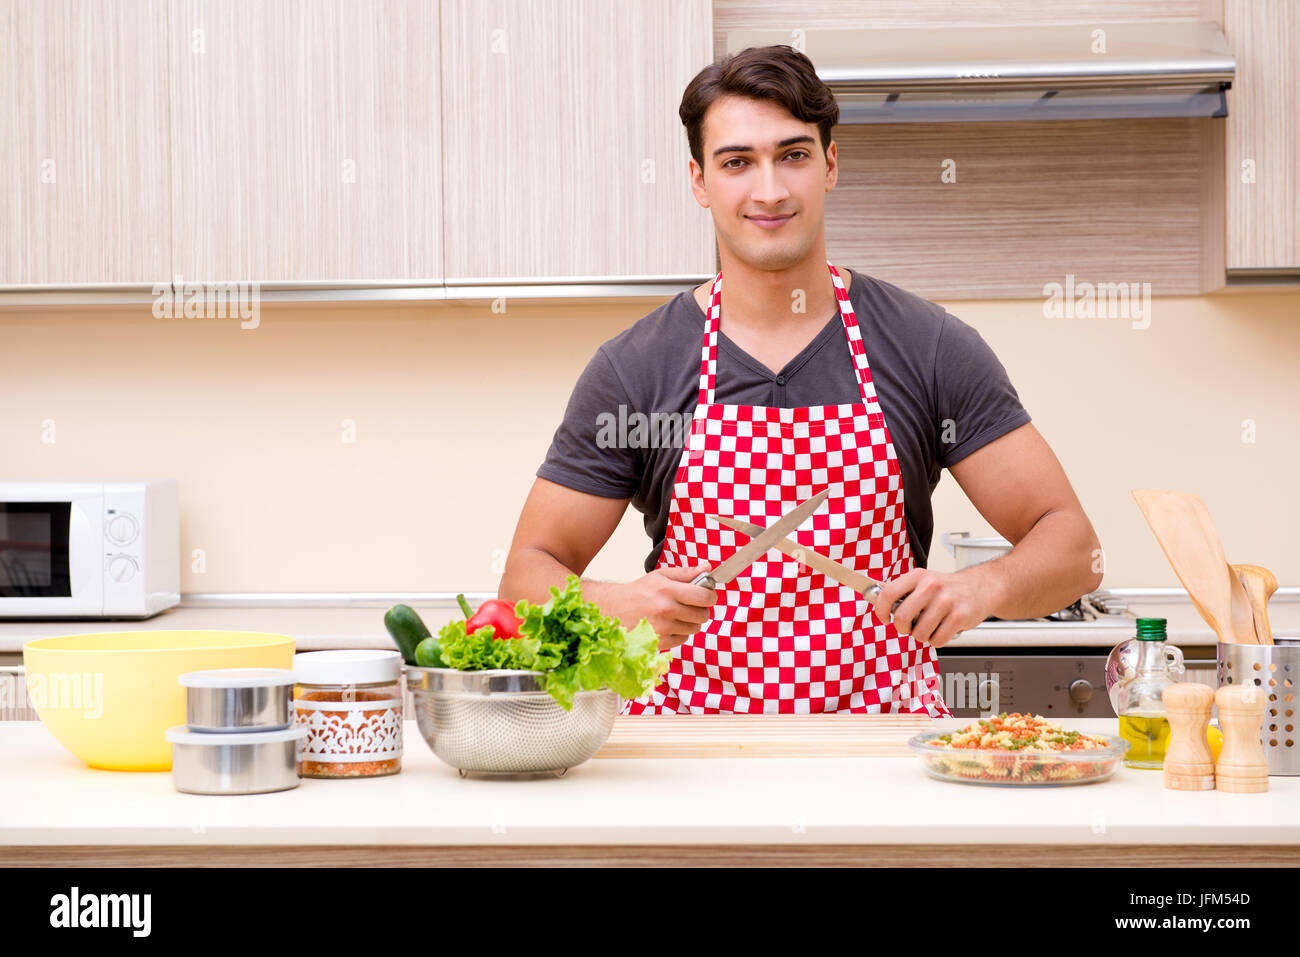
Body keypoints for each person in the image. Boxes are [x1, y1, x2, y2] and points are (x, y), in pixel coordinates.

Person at [500, 45, 1102, 716]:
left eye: (793, 155)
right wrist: (617, 601)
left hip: (882, 762)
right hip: (689, 768)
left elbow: (1075, 547)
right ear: (699, 182)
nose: (770, 190)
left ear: (831, 165)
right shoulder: (637, 368)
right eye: (737, 163)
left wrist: (979, 589)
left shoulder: (930, 347)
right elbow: (524, 576)